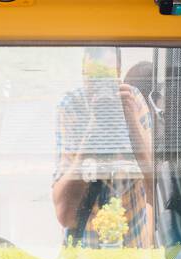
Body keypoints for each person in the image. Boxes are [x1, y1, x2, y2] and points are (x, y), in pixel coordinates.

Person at [51, 48, 154, 247]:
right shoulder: (72, 107)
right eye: (93, 79)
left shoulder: (132, 100)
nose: (101, 89)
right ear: (83, 75)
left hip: (132, 249)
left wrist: (131, 122)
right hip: (86, 255)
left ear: (118, 75)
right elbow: (64, 214)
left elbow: (155, 188)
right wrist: (92, 132)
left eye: (106, 79)